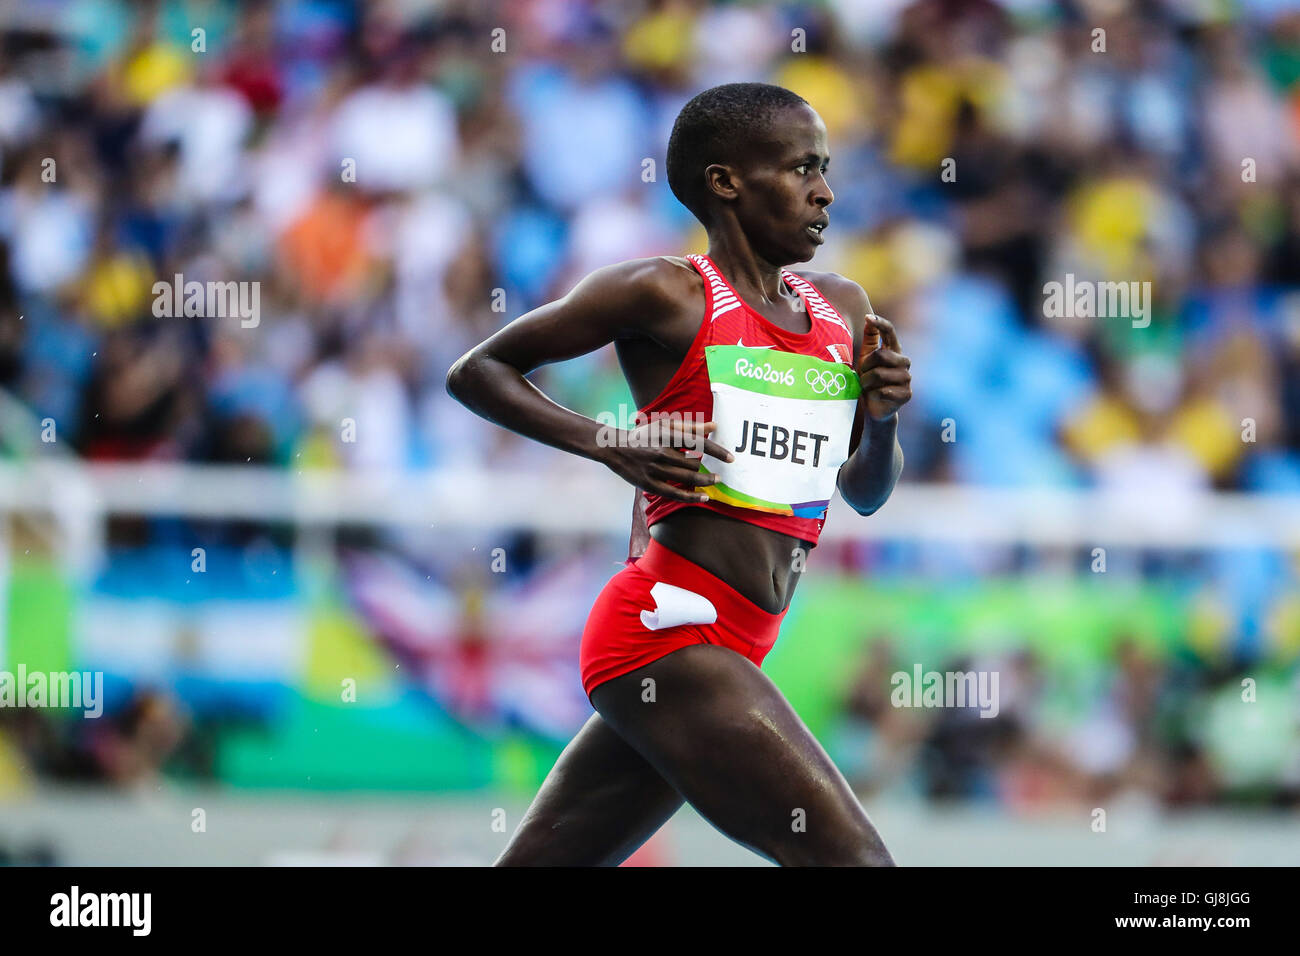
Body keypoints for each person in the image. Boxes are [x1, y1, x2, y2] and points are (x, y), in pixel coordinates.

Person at [446, 82, 911, 866]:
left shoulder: (843, 308)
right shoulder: (664, 292)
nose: (826, 192)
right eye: (802, 169)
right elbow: (478, 371)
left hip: (736, 645)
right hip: (667, 634)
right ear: (725, 181)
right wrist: (605, 441)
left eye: (825, 169)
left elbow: (863, 492)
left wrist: (886, 416)